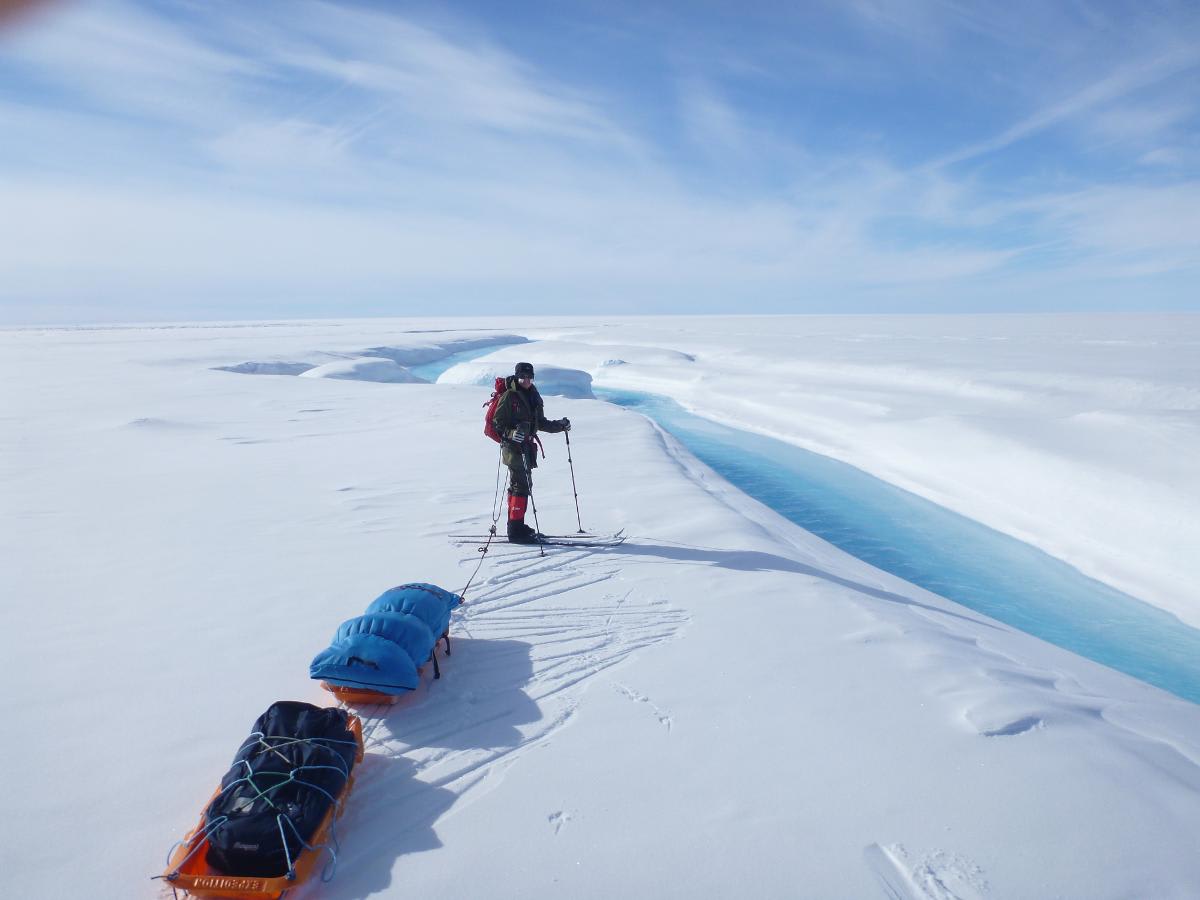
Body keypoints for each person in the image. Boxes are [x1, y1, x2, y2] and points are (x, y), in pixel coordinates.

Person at [491, 362, 571, 543]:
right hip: (513, 449)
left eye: (529, 377)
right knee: (521, 486)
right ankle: (516, 531)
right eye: (523, 377)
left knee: (520, 485)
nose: (526, 380)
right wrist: (512, 434)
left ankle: (516, 525)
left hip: (526, 449)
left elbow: (539, 423)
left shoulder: (533, 394)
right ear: (517, 377)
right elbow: (498, 424)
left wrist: (560, 426)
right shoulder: (509, 396)